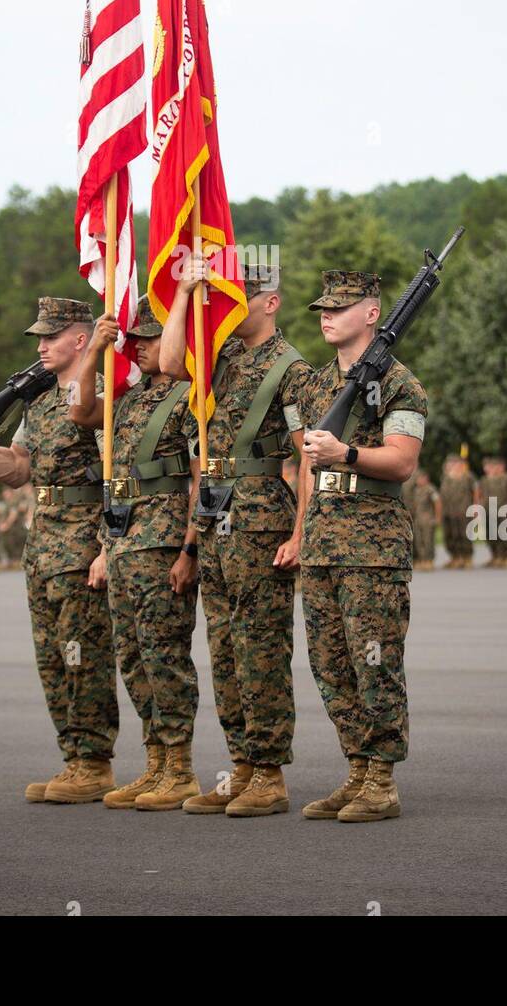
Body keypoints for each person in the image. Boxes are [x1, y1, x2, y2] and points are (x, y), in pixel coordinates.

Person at [0, 296, 118, 805]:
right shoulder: (38, 402)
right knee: (51, 656)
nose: (40, 345)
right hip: (42, 542)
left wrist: (108, 546)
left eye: (51, 336)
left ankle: (94, 762)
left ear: (80, 340)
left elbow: (116, 475)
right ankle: (72, 757)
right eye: (38, 336)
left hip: (83, 540)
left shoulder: (102, 394)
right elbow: (18, 469)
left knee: (83, 652)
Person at [159, 257, 311, 817]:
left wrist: (300, 532)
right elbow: (169, 361)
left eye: (238, 295)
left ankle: (269, 773)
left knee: (260, 648)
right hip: (216, 521)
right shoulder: (220, 358)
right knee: (223, 649)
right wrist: (184, 291)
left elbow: (308, 457)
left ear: (270, 302)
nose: (227, 303)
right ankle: (242, 764)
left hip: (260, 521)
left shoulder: (292, 370)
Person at [297, 269, 424, 824]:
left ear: (372, 313)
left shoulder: (400, 384)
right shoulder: (314, 385)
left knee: (376, 662)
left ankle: (382, 779)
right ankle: (356, 766)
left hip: (372, 545)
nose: (327, 316)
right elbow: (303, 466)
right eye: (323, 308)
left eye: (340, 308)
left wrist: (346, 454)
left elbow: (401, 460)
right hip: (323, 541)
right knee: (331, 664)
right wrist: (300, 532)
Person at [72, 296, 200, 812]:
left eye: (149, 337)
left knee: (166, 657)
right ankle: (155, 763)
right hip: (126, 545)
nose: (138, 346)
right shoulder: (128, 398)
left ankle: (182, 767)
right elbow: (81, 411)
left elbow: (198, 480)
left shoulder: (191, 398)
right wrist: (93, 352)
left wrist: (191, 549)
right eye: (136, 337)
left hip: (162, 545)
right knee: (133, 658)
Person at [440, 456, 476, 569]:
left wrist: (475, 507)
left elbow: (475, 491)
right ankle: (455, 557)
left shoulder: (468, 476)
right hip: (449, 510)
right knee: (451, 534)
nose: (450, 466)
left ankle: (467, 557)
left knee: (464, 534)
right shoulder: (446, 477)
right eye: (449, 464)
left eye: (453, 463)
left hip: (464, 510)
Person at [407, 468, 439, 572]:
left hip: (428, 519)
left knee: (428, 540)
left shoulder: (430, 489)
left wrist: (437, 517)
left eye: (420, 478)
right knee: (419, 541)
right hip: (418, 519)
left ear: (426, 479)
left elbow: (437, 503)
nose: (418, 481)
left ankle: (429, 561)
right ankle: (422, 560)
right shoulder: (416, 490)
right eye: (417, 479)